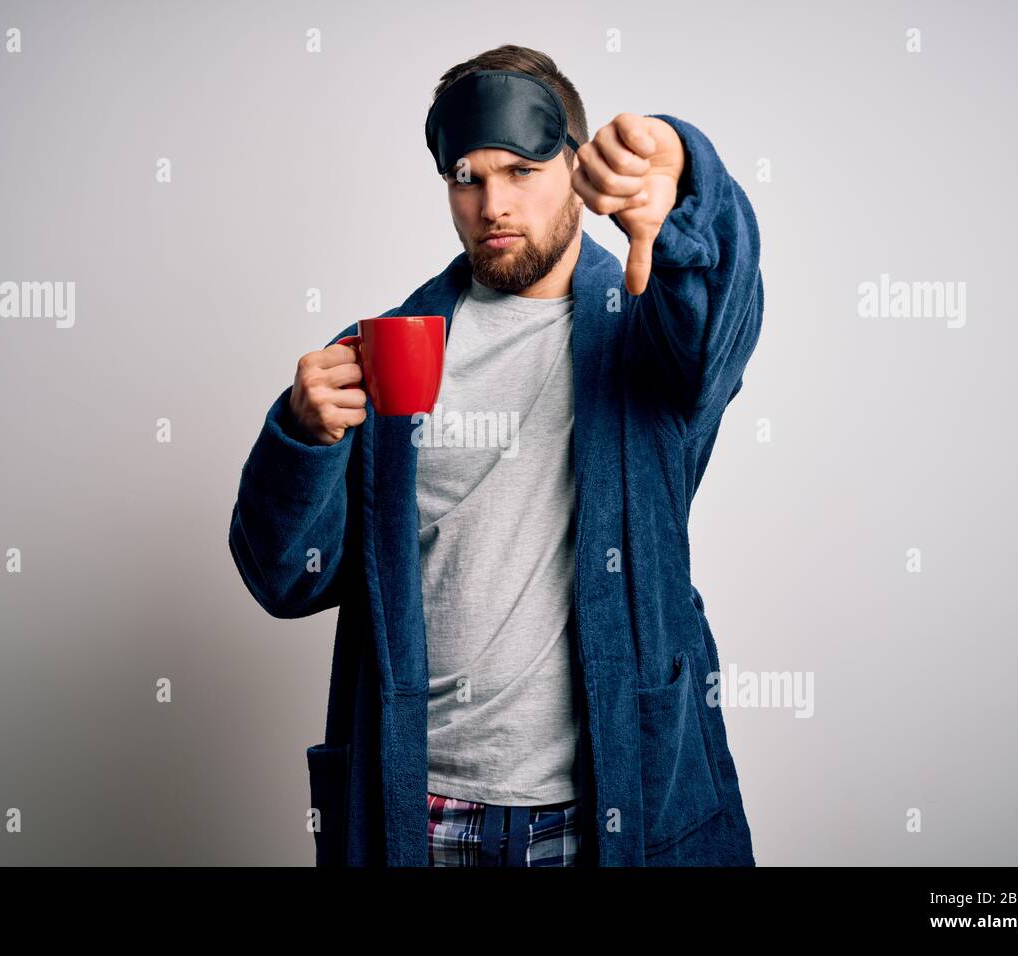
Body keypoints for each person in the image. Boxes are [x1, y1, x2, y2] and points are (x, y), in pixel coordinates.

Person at [229, 44, 763, 867]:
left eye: (520, 169)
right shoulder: (384, 353)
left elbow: (722, 311)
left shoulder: (648, 332)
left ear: (577, 167)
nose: (492, 205)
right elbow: (285, 578)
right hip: (423, 804)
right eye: (466, 178)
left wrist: (686, 177)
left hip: (610, 802)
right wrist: (303, 435)